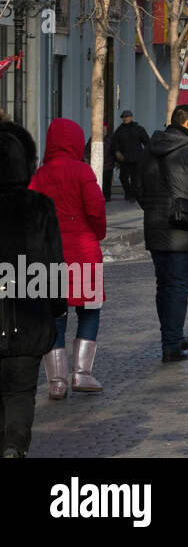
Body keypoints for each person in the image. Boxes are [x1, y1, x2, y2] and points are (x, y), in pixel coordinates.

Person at [0, 121, 65, 458]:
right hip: (30, 318)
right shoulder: (39, 206)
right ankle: (14, 446)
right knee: (22, 392)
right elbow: (54, 263)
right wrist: (56, 307)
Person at [30, 119, 106, 399]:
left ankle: (57, 381)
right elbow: (96, 209)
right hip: (83, 251)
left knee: (55, 313)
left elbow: (32, 212)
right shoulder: (82, 171)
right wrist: (98, 233)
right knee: (89, 311)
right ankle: (82, 373)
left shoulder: (40, 174)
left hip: (49, 255)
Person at [137, 104, 188, 362]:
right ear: (187, 124)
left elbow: (139, 188)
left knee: (165, 285)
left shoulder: (151, 148)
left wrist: (153, 209)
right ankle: (172, 343)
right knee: (179, 286)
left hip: (156, 225)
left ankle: (171, 336)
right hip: (186, 225)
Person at [109, 110, 149, 202]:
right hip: (124, 159)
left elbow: (147, 142)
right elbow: (114, 143)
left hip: (137, 158)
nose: (125, 118)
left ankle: (133, 195)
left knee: (135, 178)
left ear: (131, 117)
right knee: (123, 177)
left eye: (127, 117)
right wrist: (117, 152)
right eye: (123, 117)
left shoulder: (138, 129)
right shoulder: (119, 130)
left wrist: (146, 155)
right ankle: (128, 192)